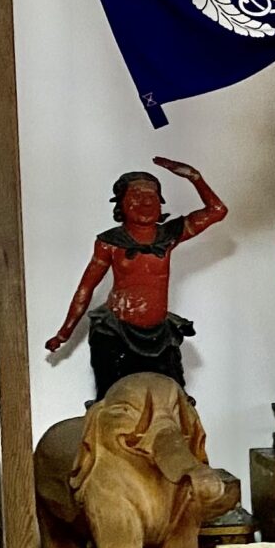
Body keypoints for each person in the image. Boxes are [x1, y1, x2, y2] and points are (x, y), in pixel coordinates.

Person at [45, 159, 228, 397]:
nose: (144, 203)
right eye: (135, 197)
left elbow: (217, 211)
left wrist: (194, 177)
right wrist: (64, 333)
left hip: (159, 333)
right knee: (114, 400)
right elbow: (85, 289)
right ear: (121, 204)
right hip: (115, 332)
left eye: (151, 197)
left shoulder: (169, 235)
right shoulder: (110, 243)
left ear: (160, 203)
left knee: (173, 398)